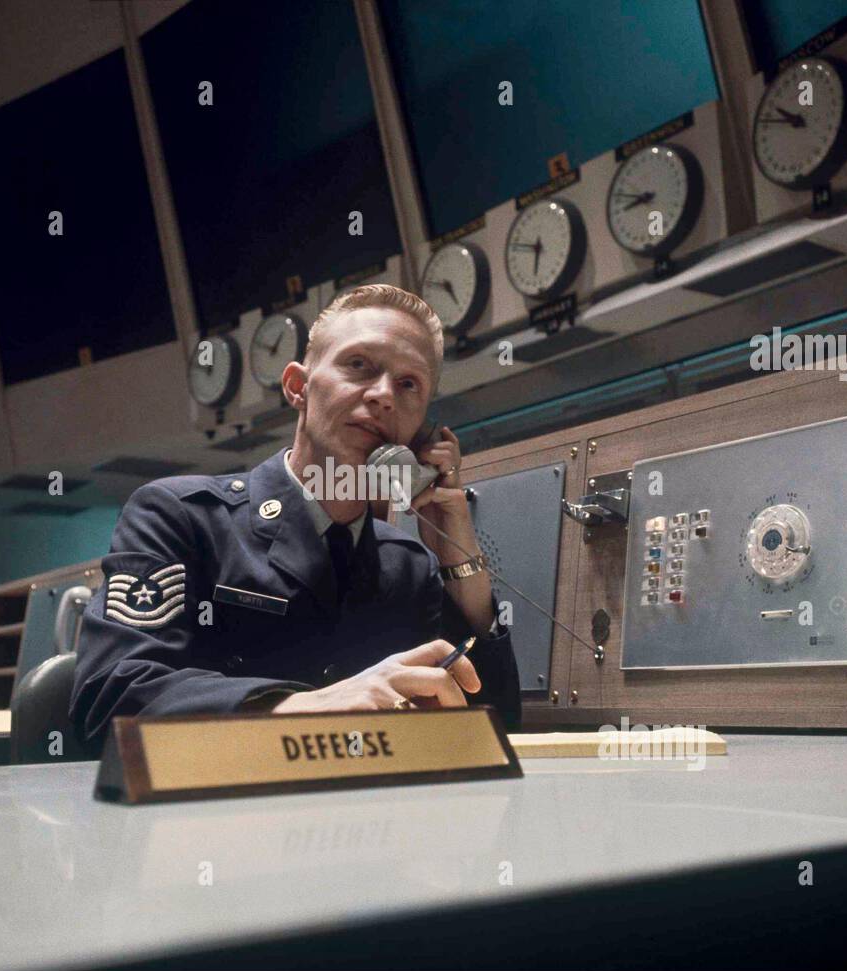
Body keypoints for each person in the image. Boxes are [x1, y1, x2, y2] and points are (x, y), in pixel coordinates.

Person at [71, 284, 521, 748]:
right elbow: (113, 697)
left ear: (419, 427)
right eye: (359, 365)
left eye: (409, 385)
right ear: (297, 387)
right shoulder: (180, 517)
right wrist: (304, 708)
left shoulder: (408, 567)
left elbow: (492, 733)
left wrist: (460, 564)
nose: (384, 395)